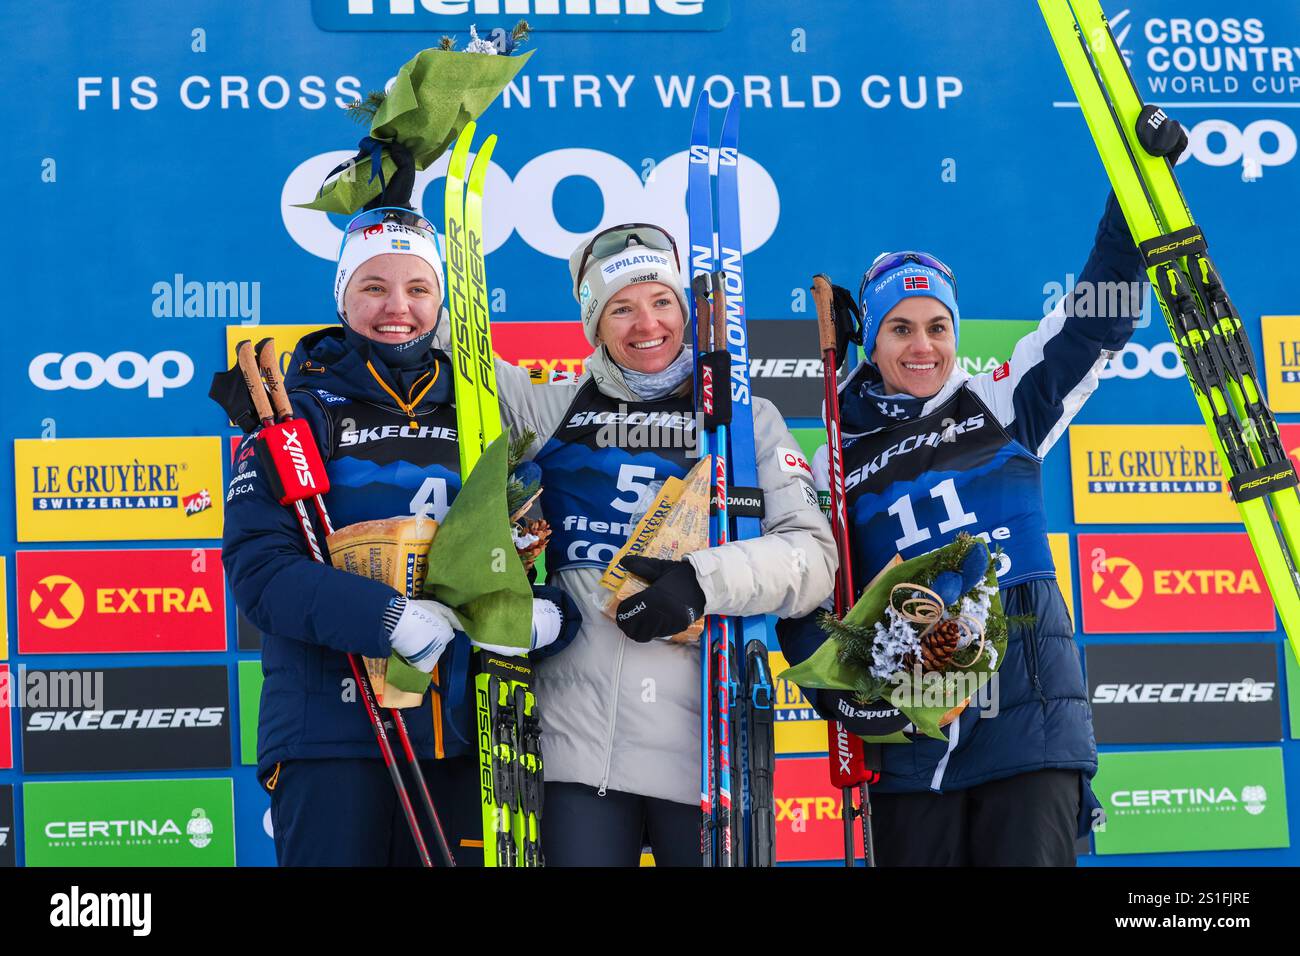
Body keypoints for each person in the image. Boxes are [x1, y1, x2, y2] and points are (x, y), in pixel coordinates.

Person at [778, 154, 1178, 864]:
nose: (923, 345)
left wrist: (1136, 191)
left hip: (1029, 729)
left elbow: (1094, 320)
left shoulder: (1000, 404)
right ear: (872, 340)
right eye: (900, 328)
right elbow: (806, 596)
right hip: (910, 747)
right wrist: (844, 700)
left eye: (938, 324)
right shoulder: (834, 458)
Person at [222, 203, 580, 867]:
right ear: (343, 295)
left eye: (419, 289)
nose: (398, 308)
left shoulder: (487, 408)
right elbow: (262, 571)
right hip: (334, 734)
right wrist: (385, 618)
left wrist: (550, 616)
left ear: (441, 299)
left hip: (470, 733)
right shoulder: (300, 411)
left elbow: (543, 545)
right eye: (373, 287)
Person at [495, 223, 838, 866]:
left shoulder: (744, 420)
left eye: (661, 302)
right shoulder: (549, 411)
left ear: (686, 311)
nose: (645, 323)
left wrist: (703, 580)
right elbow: (431, 341)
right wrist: (397, 216)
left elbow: (812, 559)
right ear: (594, 325)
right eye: (620, 307)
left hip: (708, 746)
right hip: (578, 749)